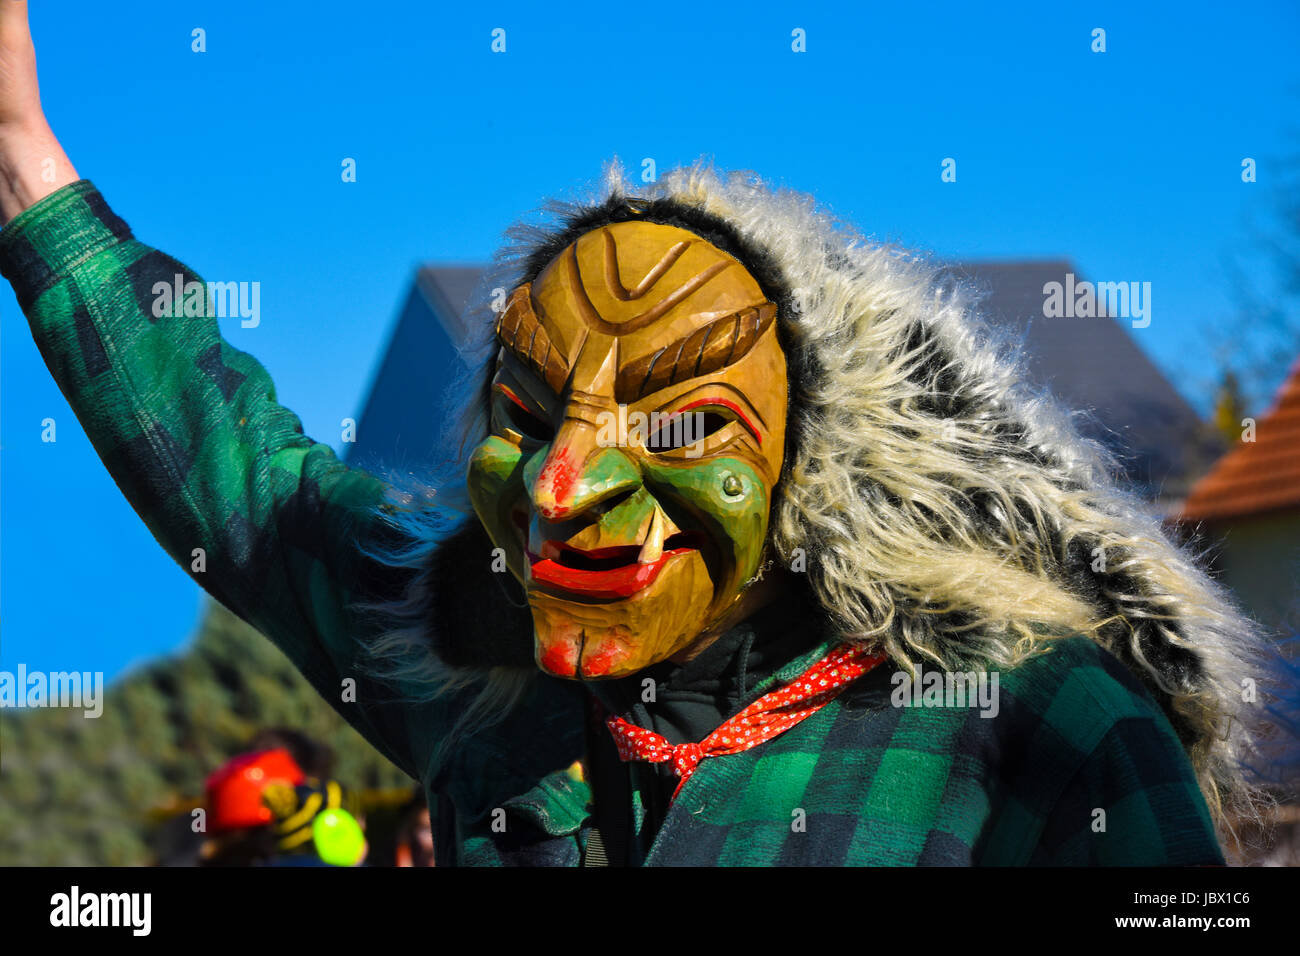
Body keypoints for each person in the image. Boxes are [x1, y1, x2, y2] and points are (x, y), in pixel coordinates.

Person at [0, 2, 1280, 866]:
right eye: (525, 416)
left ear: (815, 468)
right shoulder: (476, 671)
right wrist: (24, 166)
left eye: (678, 423)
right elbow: (237, 471)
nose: (562, 485)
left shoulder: (1033, 711)